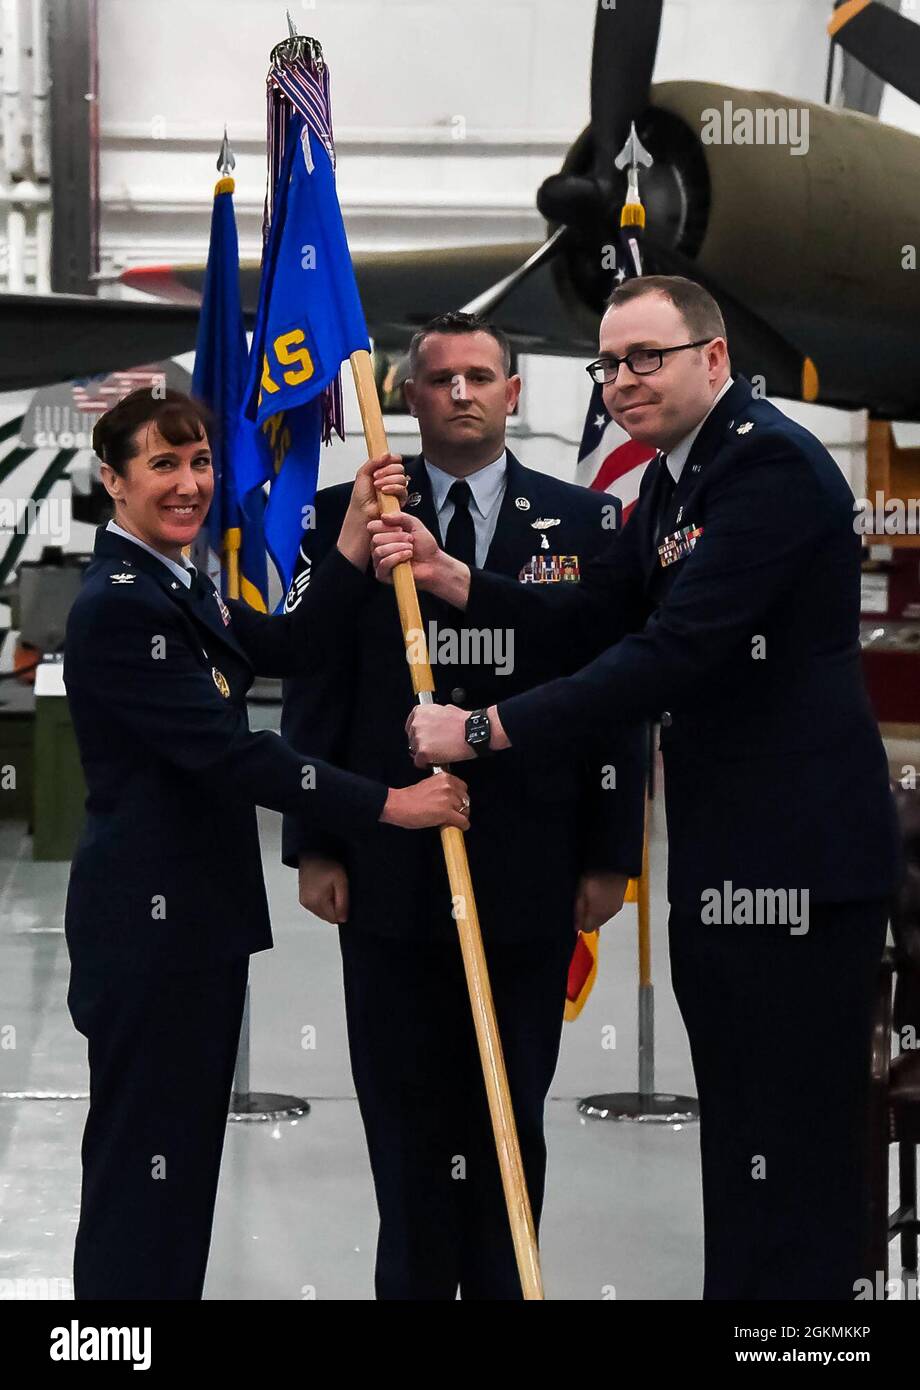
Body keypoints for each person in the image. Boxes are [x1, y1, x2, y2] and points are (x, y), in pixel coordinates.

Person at [374, 278, 902, 1301]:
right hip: (724, 860)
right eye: (607, 364)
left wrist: (483, 729)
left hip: (796, 872)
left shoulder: (767, 470)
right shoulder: (675, 477)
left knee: (792, 1149)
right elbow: (596, 608)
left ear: (712, 358)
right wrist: (458, 584)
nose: (619, 381)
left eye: (644, 357)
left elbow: (669, 653)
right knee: (744, 1137)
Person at [63, 386, 469, 1300]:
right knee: (145, 1170)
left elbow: (289, 645)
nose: (189, 483)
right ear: (113, 481)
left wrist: (352, 541)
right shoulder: (121, 607)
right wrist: (389, 808)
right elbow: (232, 756)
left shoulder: (177, 583)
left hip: (193, 928)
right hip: (149, 930)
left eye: (200, 461)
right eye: (163, 464)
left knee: (178, 1170)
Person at [281, 312, 646, 1299]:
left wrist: (610, 851)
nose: (461, 394)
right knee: (403, 1122)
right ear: (407, 396)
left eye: (482, 376)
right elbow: (316, 685)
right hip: (388, 862)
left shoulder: (581, 526)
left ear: (514, 394)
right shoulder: (337, 519)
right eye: (440, 379)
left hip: (529, 866)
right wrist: (316, 839)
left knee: (506, 1109)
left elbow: (612, 692)